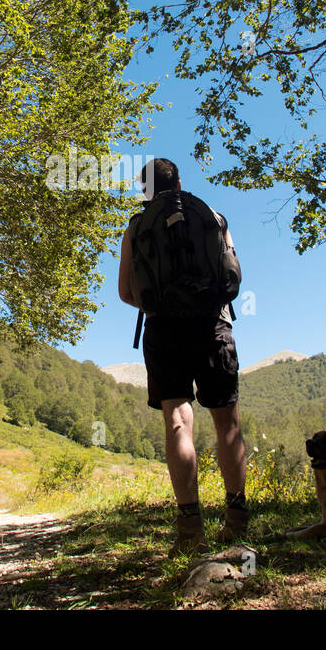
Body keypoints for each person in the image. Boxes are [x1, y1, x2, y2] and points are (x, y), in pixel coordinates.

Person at [118, 157, 247, 554]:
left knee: (177, 421)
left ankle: (190, 528)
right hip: (213, 325)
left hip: (164, 330)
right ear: (179, 184)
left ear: (147, 190)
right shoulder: (213, 215)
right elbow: (232, 275)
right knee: (226, 421)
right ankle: (237, 518)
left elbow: (126, 292)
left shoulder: (136, 227)